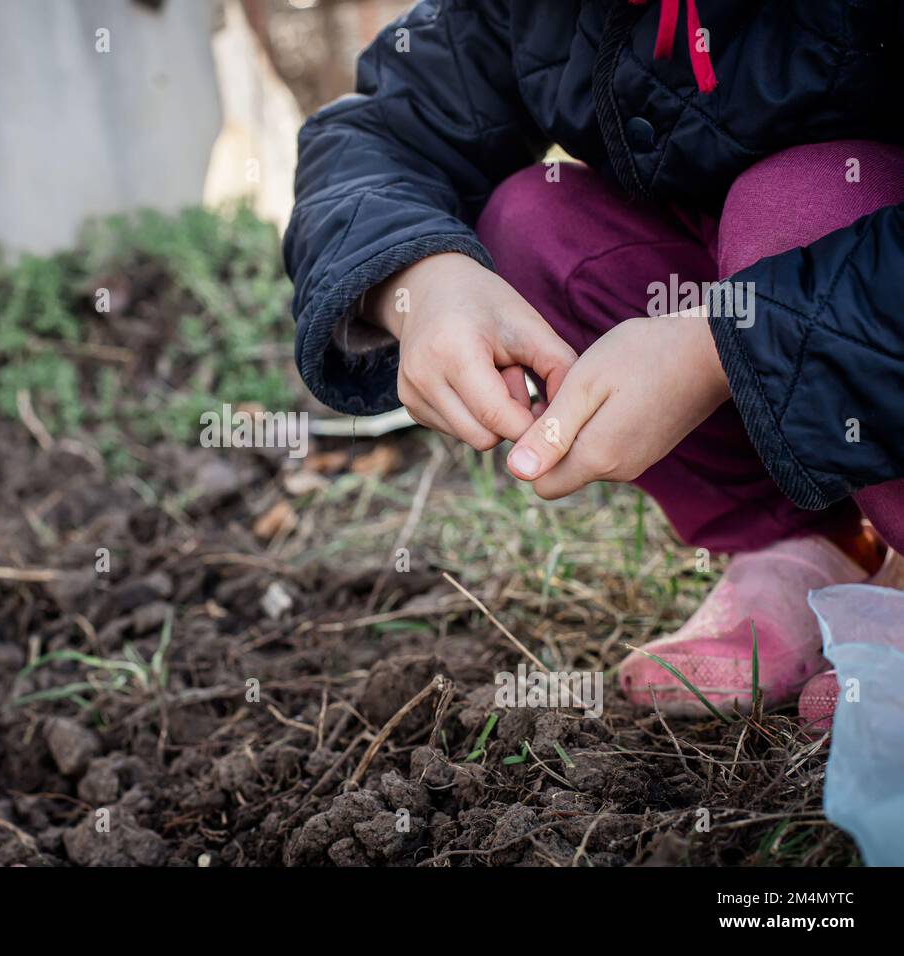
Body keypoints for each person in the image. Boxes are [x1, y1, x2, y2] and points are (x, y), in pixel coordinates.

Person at [282, 0, 904, 718]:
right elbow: (382, 125)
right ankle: (802, 547)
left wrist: (716, 348)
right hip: (739, 280)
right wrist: (419, 281)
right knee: (530, 221)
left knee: (793, 209)